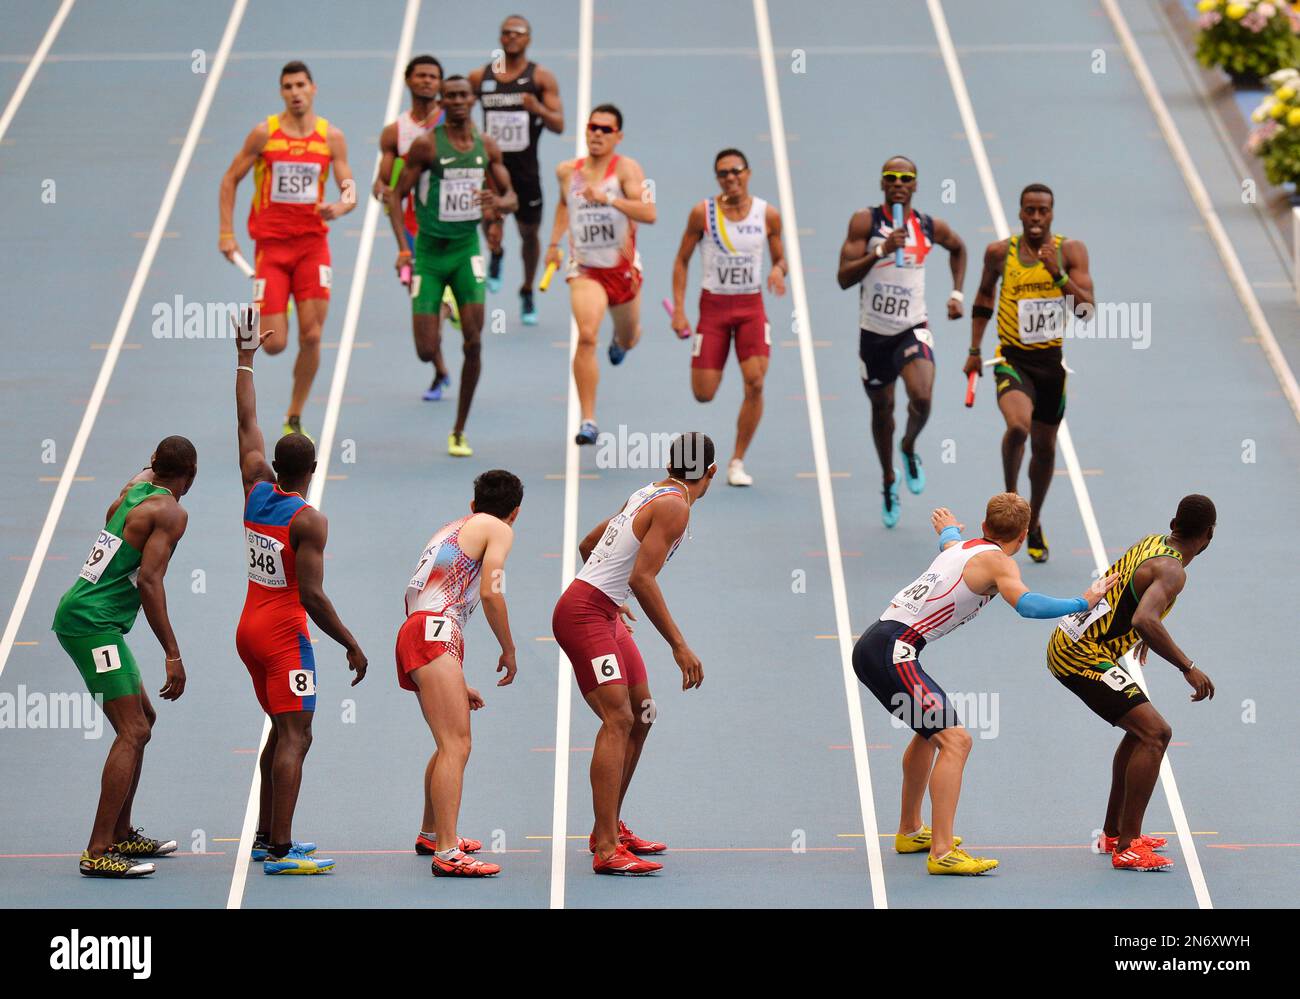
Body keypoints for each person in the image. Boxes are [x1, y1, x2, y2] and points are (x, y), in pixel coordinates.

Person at [852, 494, 1113, 875]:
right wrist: (1083, 600)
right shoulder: (1000, 563)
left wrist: (949, 528)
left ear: (984, 527)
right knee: (955, 740)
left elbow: (948, 541)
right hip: (894, 651)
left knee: (930, 732)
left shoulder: (963, 546)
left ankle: (910, 830)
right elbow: (1026, 605)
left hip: (877, 643)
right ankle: (942, 853)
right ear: (1023, 536)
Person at [232, 308, 368, 875]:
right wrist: (350, 642)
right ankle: (281, 852)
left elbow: (247, 424)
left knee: (284, 729)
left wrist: (244, 360)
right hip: (286, 635)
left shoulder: (255, 488)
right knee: (298, 734)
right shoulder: (308, 520)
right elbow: (312, 595)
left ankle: (268, 836)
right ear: (312, 468)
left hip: (249, 630)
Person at [552, 433, 715, 875]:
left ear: (670, 464)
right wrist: (679, 645)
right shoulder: (676, 507)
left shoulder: (648, 492)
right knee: (618, 719)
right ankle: (606, 849)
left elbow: (590, 544)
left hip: (600, 608)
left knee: (642, 713)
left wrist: (610, 589)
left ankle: (608, 828)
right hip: (585, 614)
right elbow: (644, 578)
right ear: (712, 473)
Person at [1046, 494, 1216, 872]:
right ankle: (1128, 847)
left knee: (1141, 732)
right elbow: (1144, 618)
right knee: (1156, 733)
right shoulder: (1174, 572)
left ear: (1173, 524)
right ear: (1208, 536)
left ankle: (1114, 833)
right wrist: (1187, 666)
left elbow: (1129, 595)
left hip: (1076, 640)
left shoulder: (1153, 543)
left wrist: (1141, 634)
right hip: (1080, 654)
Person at [53, 438, 196, 878]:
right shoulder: (171, 513)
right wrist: (172, 652)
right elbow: (150, 582)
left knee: (142, 721)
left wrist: (153, 465)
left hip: (91, 618)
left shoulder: (133, 492)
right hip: (92, 625)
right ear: (190, 477)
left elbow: (137, 479)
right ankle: (97, 849)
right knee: (132, 730)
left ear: (154, 465)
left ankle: (120, 834)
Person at [220, 60, 356, 441]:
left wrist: (343, 204)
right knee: (276, 343)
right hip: (272, 248)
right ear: (282, 92)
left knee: (312, 336)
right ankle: (285, 300)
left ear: (313, 88)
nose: (295, 92)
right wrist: (226, 232)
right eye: (288, 86)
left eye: (301, 85)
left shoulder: (332, 137)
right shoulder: (264, 134)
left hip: (312, 246)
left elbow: (349, 186)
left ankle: (294, 415)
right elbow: (230, 179)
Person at [396, 470, 523, 877]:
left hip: (417, 631)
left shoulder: (451, 528)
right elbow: (491, 591)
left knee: (445, 742)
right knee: (457, 745)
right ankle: (448, 853)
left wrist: (452, 676)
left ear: (473, 504)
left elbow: (417, 593)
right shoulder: (498, 529)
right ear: (515, 513)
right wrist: (508, 647)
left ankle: (432, 833)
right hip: (437, 634)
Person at [388, 76, 518, 458]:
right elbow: (396, 195)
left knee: (475, 341)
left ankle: (459, 429)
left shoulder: (486, 146)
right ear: (443, 101)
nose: (459, 101)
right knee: (425, 349)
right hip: (428, 254)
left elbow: (511, 196)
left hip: (466, 252)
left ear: (473, 100)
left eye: (465, 95)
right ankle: (440, 350)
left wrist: (498, 206)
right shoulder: (427, 145)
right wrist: (403, 248)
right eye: (452, 96)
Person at [964, 183, 1094, 562]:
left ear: (1051, 214)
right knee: (1018, 426)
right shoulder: (999, 253)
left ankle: (1032, 520)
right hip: (1012, 360)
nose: (1036, 218)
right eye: (1030, 211)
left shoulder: (1070, 252)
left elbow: (1086, 311)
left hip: (1051, 366)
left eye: (1043, 211)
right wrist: (974, 349)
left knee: (1045, 447)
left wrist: (1056, 275)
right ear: (1020, 213)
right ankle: (1012, 507)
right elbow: (984, 296)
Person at [836, 156, 966, 527]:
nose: (897, 183)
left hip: (912, 328)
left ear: (914, 185)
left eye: (905, 178)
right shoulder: (866, 222)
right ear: (882, 183)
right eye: (891, 177)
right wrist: (878, 251)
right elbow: (843, 278)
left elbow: (958, 248)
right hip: (874, 335)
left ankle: (908, 447)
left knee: (922, 397)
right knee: (882, 411)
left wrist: (956, 293)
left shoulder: (928, 226)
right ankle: (888, 479)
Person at [671, 148, 786, 487]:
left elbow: (781, 259)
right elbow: (681, 261)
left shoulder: (767, 215)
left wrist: (779, 271)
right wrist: (679, 310)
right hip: (715, 308)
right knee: (703, 392)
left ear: (748, 173)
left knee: (756, 382)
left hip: (751, 307)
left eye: (736, 171)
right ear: (717, 179)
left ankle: (737, 460)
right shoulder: (702, 214)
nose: (731, 178)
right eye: (723, 174)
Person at [545, 104, 656, 445]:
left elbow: (648, 212)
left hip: (621, 270)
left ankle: (621, 341)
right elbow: (565, 204)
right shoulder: (567, 171)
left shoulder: (627, 170)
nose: (597, 133)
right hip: (586, 269)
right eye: (593, 127)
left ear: (617, 137)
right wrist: (553, 242)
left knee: (628, 337)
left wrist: (608, 199)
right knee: (587, 335)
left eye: (605, 130)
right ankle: (589, 419)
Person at [470, 14, 564, 324]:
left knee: (529, 234)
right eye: (506, 32)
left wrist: (537, 108)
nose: (511, 37)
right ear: (500, 38)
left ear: (528, 39)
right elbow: (457, 113)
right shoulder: (480, 77)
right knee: (488, 217)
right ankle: (496, 254)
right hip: (490, 169)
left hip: (525, 171)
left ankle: (526, 289)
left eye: (518, 33)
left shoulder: (540, 78)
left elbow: (560, 124)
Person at [372, 54, 454, 401]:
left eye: (433, 76)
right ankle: (440, 370)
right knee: (425, 314)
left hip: (453, 230)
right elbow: (384, 184)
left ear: (441, 83)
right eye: (420, 75)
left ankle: (452, 307)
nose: (426, 81)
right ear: (408, 80)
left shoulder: (454, 123)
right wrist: (382, 187)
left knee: (440, 309)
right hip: (414, 233)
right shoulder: (395, 132)